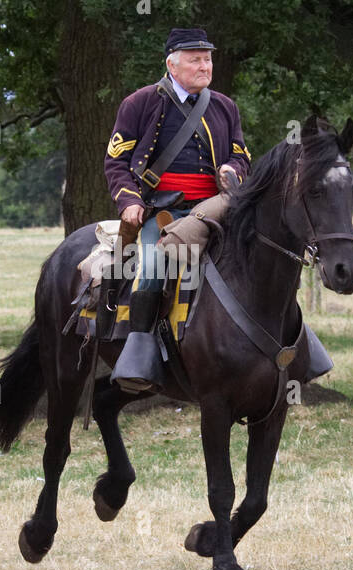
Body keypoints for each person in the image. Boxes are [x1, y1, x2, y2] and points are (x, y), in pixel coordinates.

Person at [103, 28, 251, 391]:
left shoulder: (225, 106)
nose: (205, 66)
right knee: (153, 265)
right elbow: (116, 163)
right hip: (164, 213)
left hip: (217, 210)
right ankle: (139, 353)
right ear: (172, 63)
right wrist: (131, 201)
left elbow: (240, 154)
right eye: (196, 59)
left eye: (208, 59)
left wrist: (233, 170)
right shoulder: (138, 103)